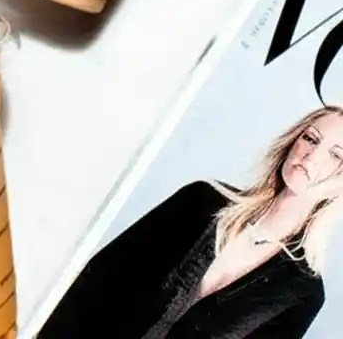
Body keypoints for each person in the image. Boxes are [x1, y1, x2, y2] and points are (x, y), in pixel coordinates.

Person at [40, 106, 343, 338]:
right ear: (293, 140)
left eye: (335, 156)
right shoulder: (200, 201)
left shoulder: (303, 293)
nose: (311, 156)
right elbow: (97, 280)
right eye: (310, 138)